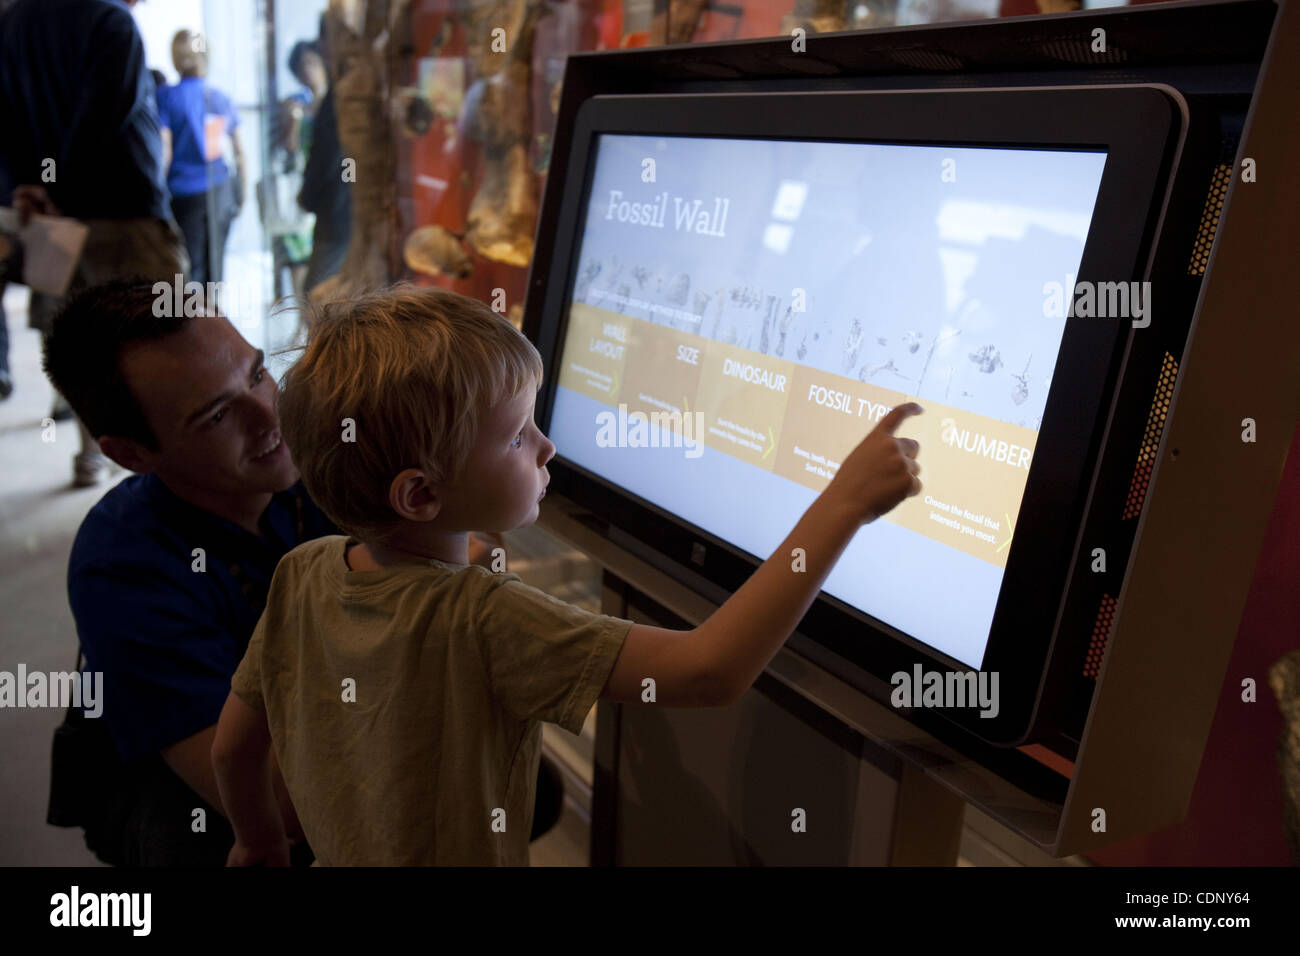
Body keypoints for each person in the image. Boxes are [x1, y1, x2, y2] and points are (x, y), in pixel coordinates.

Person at [212, 285, 923, 865]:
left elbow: (235, 745)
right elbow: (710, 671)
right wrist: (843, 506)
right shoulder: (487, 618)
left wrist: (258, 839)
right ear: (421, 494)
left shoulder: (302, 574)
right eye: (517, 435)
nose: (547, 446)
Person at [41, 280, 562, 864]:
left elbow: (475, 540)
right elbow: (279, 800)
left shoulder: (317, 460)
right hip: (194, 783)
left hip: (332, 711)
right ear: (130, 454)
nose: (270, 415)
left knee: (526, 788)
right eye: (217, 415)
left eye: (257, 374)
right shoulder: (123, 569)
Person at [0, 0, 189, 486]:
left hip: (49, 218)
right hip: (123, 210)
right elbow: (106, 112)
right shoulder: (111, 20)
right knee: (167, 333)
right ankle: (175, 472)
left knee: (81, 349)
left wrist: (28, 186)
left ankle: (93, 456)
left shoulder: (15, 20)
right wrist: (58, 185)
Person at [157, 29, 244, 289]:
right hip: (219, 189)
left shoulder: (168, 96)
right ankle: (212, 312)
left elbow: (165, 151)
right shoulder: (219, 98)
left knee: (189, 269)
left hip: (184, 193)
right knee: (214, 270)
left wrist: (156, 191)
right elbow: (239, 152)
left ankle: (194, 314)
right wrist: (242, 193)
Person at [266, 40, 327, 303]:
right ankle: (303, 316)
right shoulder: (294, 104)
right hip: (301, 186)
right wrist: (293, 122)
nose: (308, 71)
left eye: (312, 63)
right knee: (299, 259)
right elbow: (289, 148)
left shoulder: (333, 103)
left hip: (328, 190)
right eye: (302, 66)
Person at [297, 17, 351, 295]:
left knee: (317, 296)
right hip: (342, 207)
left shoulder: (343, 89)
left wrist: (308, 195)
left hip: (340, 210)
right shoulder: (340, 87)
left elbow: (331, 155)